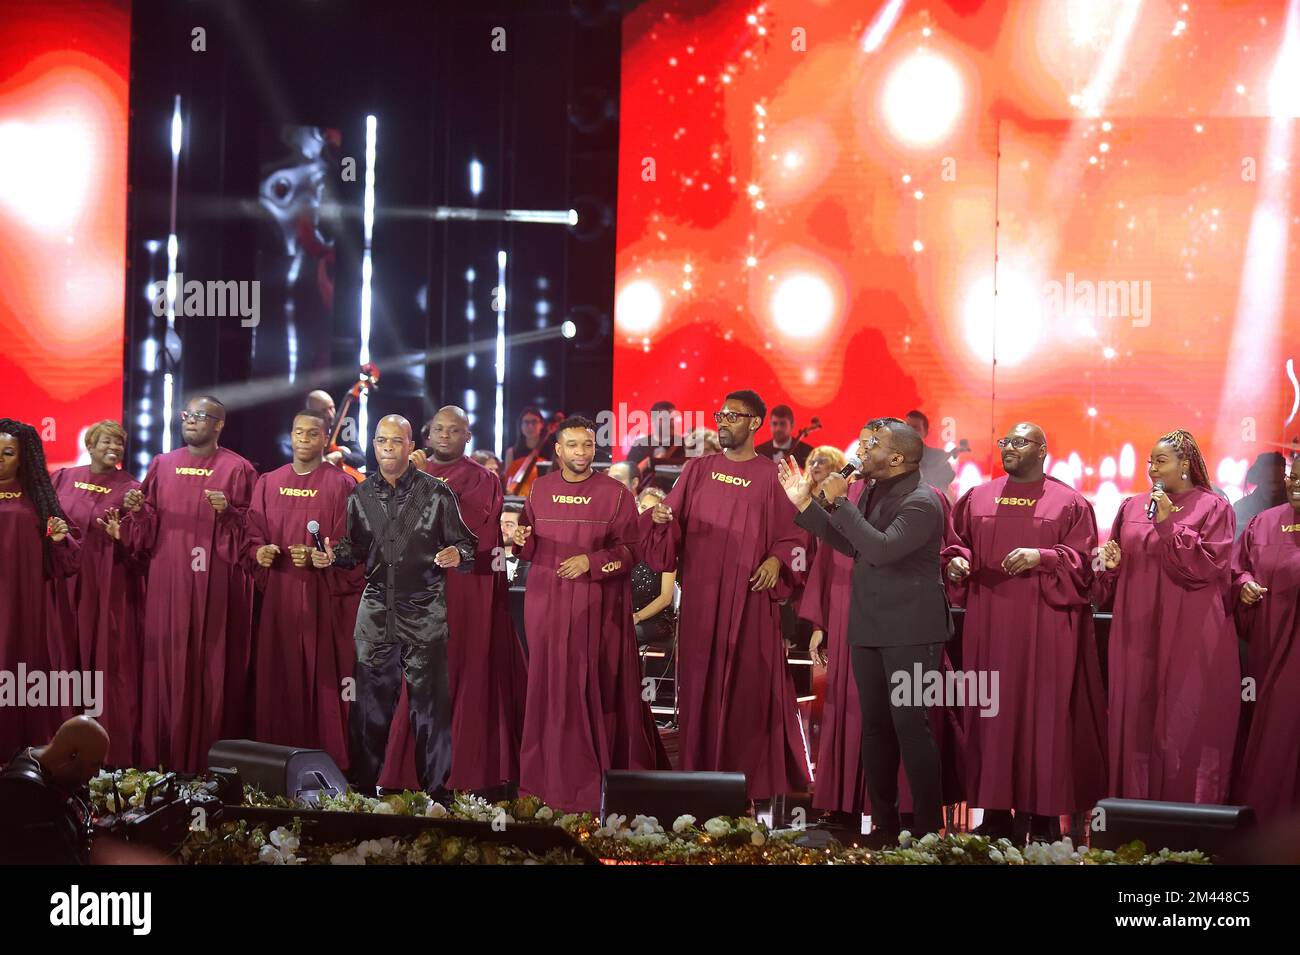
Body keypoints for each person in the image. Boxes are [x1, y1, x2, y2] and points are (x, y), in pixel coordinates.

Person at [779, 419, 950, 843]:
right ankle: (885, 828)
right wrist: (805, 507)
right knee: (875, 728)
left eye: (871, 444)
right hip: (868, 625)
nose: (861, 448)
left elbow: (882, 548)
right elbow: (852, 544)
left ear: (895, 458)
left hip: (912, 630)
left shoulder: (924, 501)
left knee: (911, 727)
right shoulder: (871, 490)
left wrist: (841, 504)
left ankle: (928, 831)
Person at [643, 390, 811, 802]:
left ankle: (746, 788)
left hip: (749, 607)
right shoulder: (698, 469)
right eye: (721, 414)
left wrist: (775, 561)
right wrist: (661, 518)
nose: (723, 421)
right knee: (699, 693)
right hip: (701, 605)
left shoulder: (772, 477)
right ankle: (697, 787)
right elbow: (668, 527)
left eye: (734, 416)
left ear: (755, 424)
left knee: (746, 694)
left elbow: (794, 538)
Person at [944, 422, 1107, 843]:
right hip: (990, 625)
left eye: (1019, 442)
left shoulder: (1069, 502)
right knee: (992, 716)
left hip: (1047, 628)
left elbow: (1085, 564)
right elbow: (955, 542)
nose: (1008, 448)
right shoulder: (978, 496)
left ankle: (1045, 817)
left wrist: (1043, 557)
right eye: (1005, 441)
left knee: (1045, 718)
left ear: (1042, 449)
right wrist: (957, 561)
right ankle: (995, 814)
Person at [513, 416, 667, 811]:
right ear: (559, 450)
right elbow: (529, 546)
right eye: (573, 445)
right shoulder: (539, 490)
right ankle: (543, 782)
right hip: (545, 607)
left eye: (587, 445)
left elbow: (632, 552)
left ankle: (590, 787)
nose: (581, 452)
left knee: (592, 689)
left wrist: (592, 563)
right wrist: (518, 540)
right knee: (547, 691)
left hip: (596, 609)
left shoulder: (615, 494)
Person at [324, 415, 477, 795]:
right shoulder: (360, 496)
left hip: (424, 613)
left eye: (396, 441)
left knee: (429, 711)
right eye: (381, 441)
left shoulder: (437, 494)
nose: (388, 449)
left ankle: (436, 796)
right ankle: (361, 792)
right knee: (367, 711)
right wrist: (334, 555)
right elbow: (356, 549)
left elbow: (469, 545)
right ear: (373, 446)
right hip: (375, 613)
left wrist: (457, 554)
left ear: (411, 447)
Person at [379, 407, 528, 794]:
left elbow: (467, 529)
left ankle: (466, 771)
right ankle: (410, 771)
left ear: (467, 436)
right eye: (438, 429)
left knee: (462, 669)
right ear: (426, 436)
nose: (445, 435)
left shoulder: (484, 479)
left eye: (455, 429)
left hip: (465, 591)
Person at [1095, 429, 1239, 803]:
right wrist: (1110, 567)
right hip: (1136, 627)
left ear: (1185, 464)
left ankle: (1185, 825)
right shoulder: (1130, 506)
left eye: (1161, 461)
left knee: (1182, 719)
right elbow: (1114, 564)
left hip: (1190, 631)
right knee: (1136, 718)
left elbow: (1208, 567)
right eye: (1149, 460)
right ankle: (1132, 816)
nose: (1152, 468)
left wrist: (1168, 523)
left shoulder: (1214, 507)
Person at [120, 396, 258, 772]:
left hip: (217, 588)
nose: (192, 421)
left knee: (212, 669)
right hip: (169, 585)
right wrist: (137, 510)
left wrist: (229, 512)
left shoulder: (238, 469)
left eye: (201, 416)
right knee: (166, 668)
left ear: (218, 425)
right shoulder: (163, 465)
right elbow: (144, 531)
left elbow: (256, 532)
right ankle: (157, 764)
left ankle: (210, 765)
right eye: (188, 415)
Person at [245, 409, 363, 771]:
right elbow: (252, 532)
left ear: (325, 437)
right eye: (298, 432)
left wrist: (320, 557)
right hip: (279, 601)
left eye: (313, 434)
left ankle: (326, 766)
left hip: (321, 602)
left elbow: (355, 545)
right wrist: (259, 551)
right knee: (277, 679)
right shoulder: (268, 481)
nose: (304, 439)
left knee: (324, 684)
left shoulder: (342, 485)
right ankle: (275, 764)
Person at [51, 421, 146, 768]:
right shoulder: (62, 477)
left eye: (120, 444)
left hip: (105, 587)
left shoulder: (131, 489)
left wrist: (125, 532)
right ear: (90, 445)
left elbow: (141, 548)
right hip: (65, 585)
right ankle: (56, 745)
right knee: (63, 660)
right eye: (107, 441)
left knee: (104, 666)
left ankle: (106, 756)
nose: (115, 448)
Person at [0, 419, 80, 759]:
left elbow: (67, 563)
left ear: (23, 458)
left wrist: (59, 540)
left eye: (7, 452)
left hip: (22, 607)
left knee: (19, 678)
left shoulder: (38, 502)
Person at [1230, 465, 1300, 820]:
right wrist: (1243, 585)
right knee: (1271, 735)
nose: (1294, 482)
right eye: (1293, 475)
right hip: (1270, 650)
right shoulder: (1265, 522)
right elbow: (1237, 568)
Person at [0, 716, 108, 864]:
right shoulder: (26, 796)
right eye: (95, 764)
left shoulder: (37, 758)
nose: (97, 773)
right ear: (72, 755)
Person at [632, 487, 677, 648]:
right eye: (643, 507)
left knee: (625, 635)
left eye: (652, 510)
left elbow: (666, 597)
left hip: (655, 620)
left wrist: (637, 616)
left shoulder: (667, 547)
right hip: (627, 616)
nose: (646, 514)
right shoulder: (626, 542)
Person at [306, 388, 366, 471]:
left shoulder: (345, 425)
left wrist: (340, 454)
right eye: (323, 411)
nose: (330, 415)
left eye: (331, 408)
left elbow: (360, 458)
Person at [1233, 452, 1287, 541]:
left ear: (1284, 477)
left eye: (1279, 482)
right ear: (1257, 478)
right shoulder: (1242, 507)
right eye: (1269, 482)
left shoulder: (1294, 507)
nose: (1274, 488)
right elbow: (1238, 544)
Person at [906, 410, 956, 497]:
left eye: (915, 427)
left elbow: (943, 489)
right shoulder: (894, 459)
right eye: (907, 427)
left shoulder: (939, 458)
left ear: (925, 432)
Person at [500, 504, 531, 587]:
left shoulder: (532, 564)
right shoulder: (485, 559)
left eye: (509, 525)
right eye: (500, 524)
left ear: (522, 529)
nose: (501, 529)